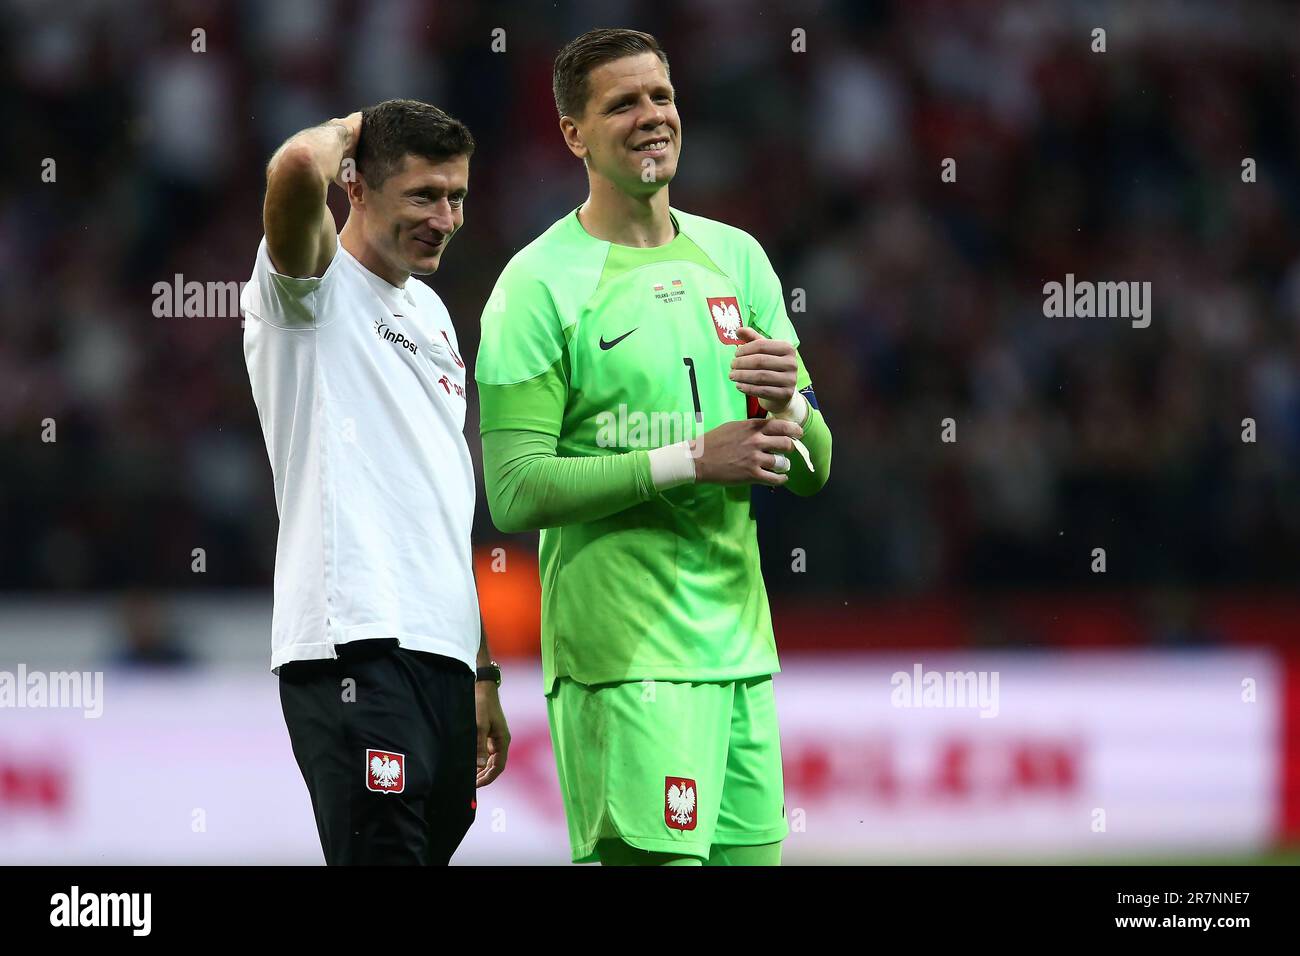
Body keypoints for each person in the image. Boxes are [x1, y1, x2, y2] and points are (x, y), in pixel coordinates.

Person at [475, 29, 831, 866]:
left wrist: (793, 407)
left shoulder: (736, 259)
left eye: (661, 97)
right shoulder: (535, 285)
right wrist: (690, 461)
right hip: (621, 662)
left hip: (741, 654)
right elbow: (514, 491)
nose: (651, 117)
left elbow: (816, 468)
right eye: (622, 103)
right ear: (573, 134)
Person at [240, 99, 508, 865]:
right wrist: (350, 129)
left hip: (443, 659)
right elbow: (295, 170)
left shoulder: (432, 313)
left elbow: (441, 502)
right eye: (423, 195)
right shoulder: (312, 289)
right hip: (356, 645)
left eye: (456, 195)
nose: (445, 217)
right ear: (354, 188)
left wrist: (480, 670)